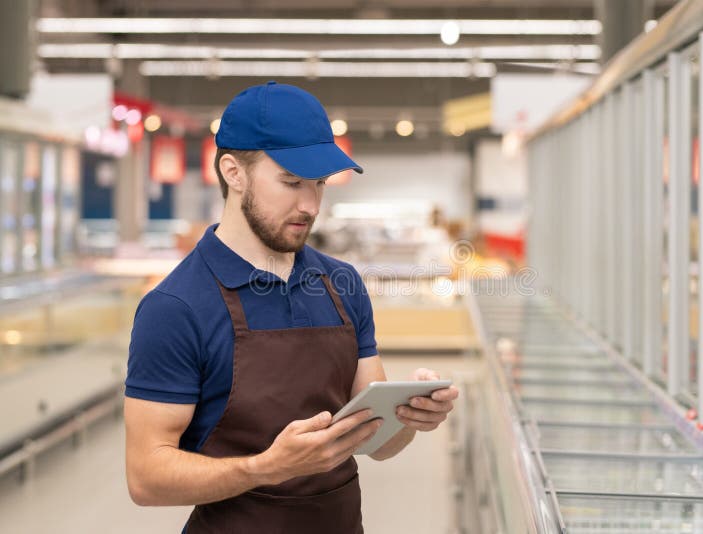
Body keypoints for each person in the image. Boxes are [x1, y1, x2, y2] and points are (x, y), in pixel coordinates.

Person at [123, 81, 459, 534]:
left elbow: (379, 443)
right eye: (291, 182)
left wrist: (411, 417)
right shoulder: (175, 306)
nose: (310, 204)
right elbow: (146, 478)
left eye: (319, 183)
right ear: (233, 171)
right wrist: (264, 468)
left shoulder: (342, 285)